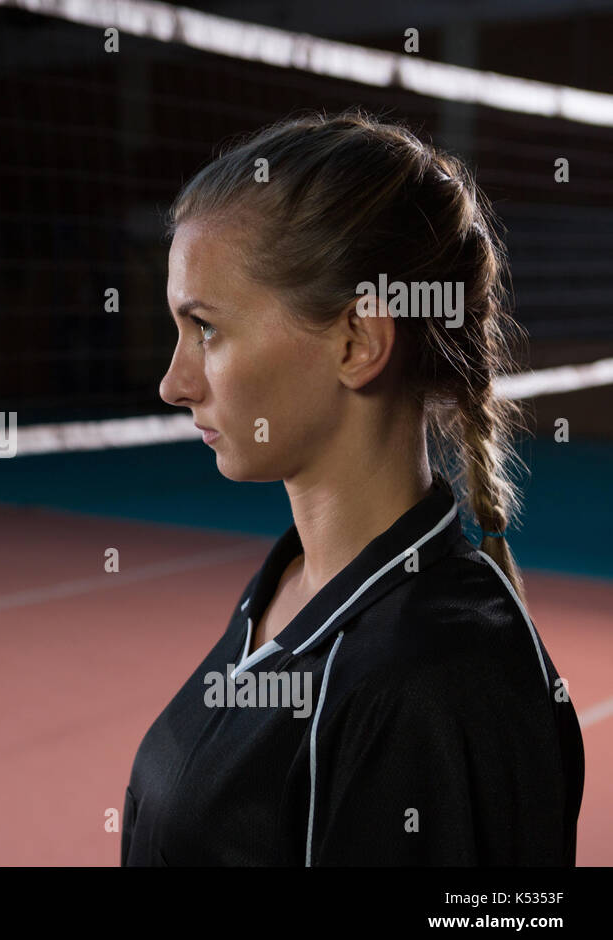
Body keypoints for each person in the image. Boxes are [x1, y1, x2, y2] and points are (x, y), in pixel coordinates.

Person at [121, 110, 584, 865]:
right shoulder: (296, 588)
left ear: (356, 341)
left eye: (206, 328)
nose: (174, 383)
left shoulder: (439, 684)